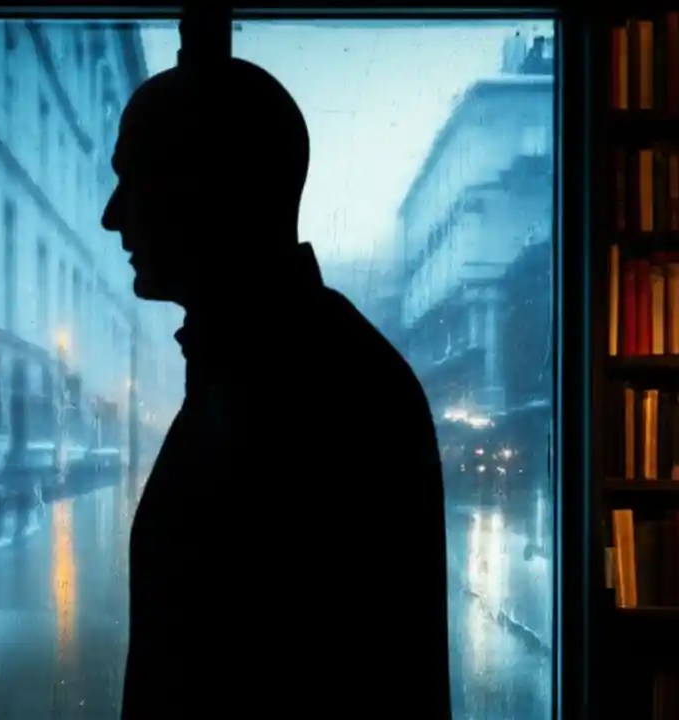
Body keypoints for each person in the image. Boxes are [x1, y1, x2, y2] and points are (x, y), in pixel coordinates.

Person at [101, 56, 452, 719]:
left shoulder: (308, 392)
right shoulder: (305, 366)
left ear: (207, 187)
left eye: (134, 178)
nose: (112, 216)